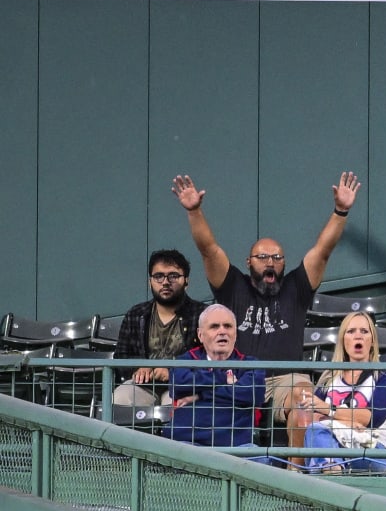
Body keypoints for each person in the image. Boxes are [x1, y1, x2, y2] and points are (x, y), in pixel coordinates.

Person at [171, 171, 361, 453]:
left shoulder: (297, 287)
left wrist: (341, 211)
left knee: (303, 400)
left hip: (287, 378)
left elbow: (322, 250)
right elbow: (209, 250)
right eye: (262, 257)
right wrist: (195, 211)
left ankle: (295, 479)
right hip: (241, 377)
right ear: (248, 262)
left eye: (277, 257)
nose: (270, 262)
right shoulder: (232, 286)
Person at [288, 311, 386, 474]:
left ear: (372, 341)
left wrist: (329, 410)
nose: (358, 336)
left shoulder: (385, 378)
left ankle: (327, 474)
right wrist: (347, 422)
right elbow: (310, 417)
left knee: (318, 437)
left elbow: (371, 418)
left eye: (364, 331)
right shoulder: (329, 378)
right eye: (351, 331)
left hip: (372, 451)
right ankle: (332, 470)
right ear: (343, 340)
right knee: (315, 432)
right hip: (332, 444)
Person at [112, 249, 208, 408]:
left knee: (179, 407)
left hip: (184, 384)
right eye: (158, 276)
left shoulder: (202, 314)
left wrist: (174, 371)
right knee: (121, 399)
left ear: (186, 281)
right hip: (143, 385)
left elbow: (210, 358)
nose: (165, 282)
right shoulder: (137, 314)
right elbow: (121, 357)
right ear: (150, 281)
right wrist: (140, 367)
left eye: (173, 276)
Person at [167, 304, 267, 453]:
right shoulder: (184, 361)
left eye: (228, 326)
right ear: (200, 335)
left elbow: (254, 395)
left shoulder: (250, 363)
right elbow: (178, 386)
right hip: (188, 445)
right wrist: (223, 380)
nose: (222, 332)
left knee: (262, 461)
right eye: (214, 327)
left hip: (238, 449)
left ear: (235, 334)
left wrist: (199, 395)